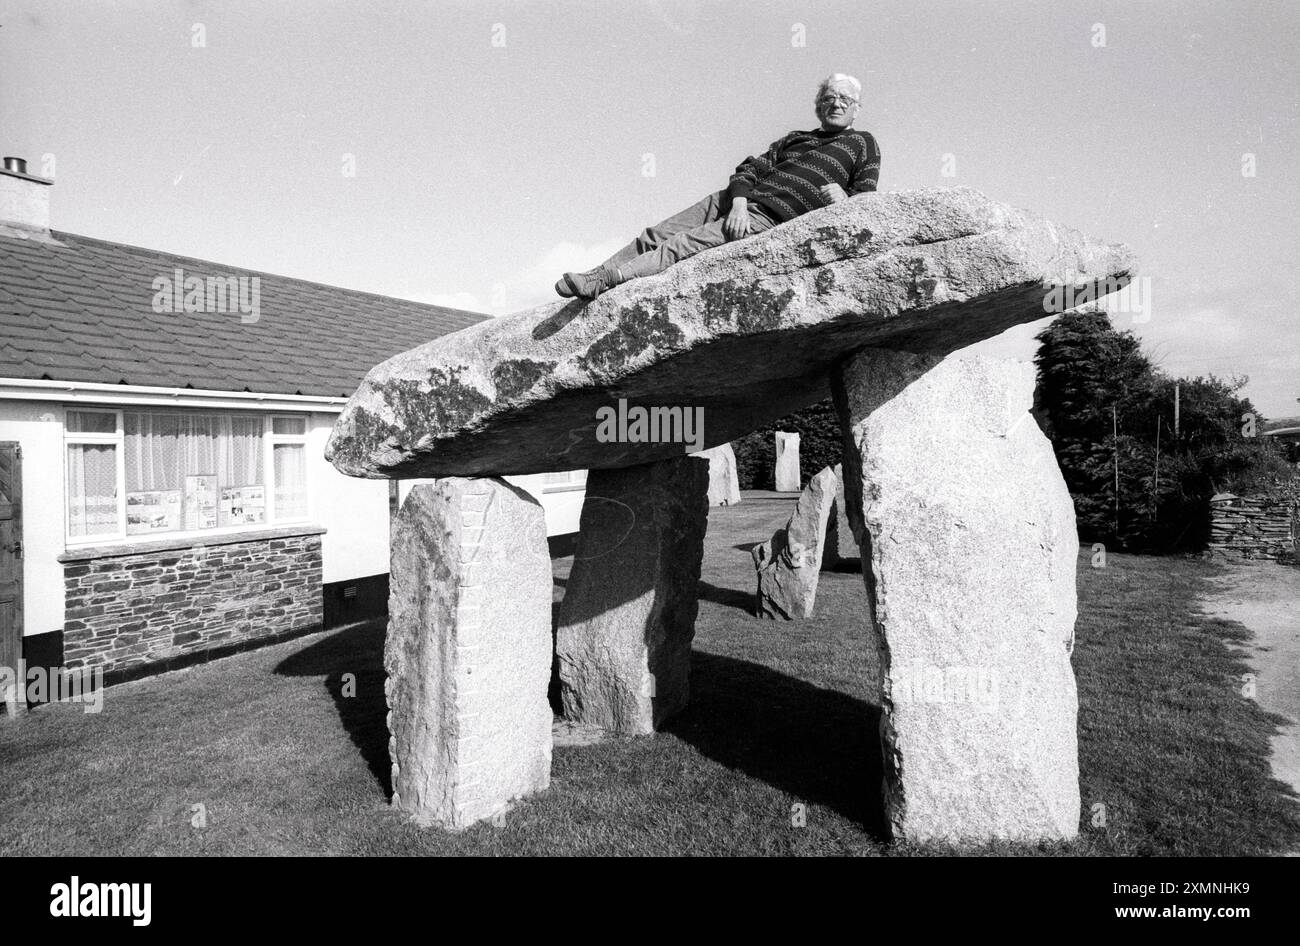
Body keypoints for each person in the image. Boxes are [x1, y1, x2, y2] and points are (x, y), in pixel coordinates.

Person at [555, 73, 881, 301]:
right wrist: (738, 202)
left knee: (681, 245)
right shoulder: (795, 138)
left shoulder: (862, 143)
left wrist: (847, 198)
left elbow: (868, 199)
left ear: (857, 107)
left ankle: (607, 282)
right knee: (653, 235)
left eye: (845, 98)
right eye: (829, 97)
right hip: (733, 201)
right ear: (818, 105)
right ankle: (594, 274)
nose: (836, 104)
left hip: (770, 216)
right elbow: (750, 168)